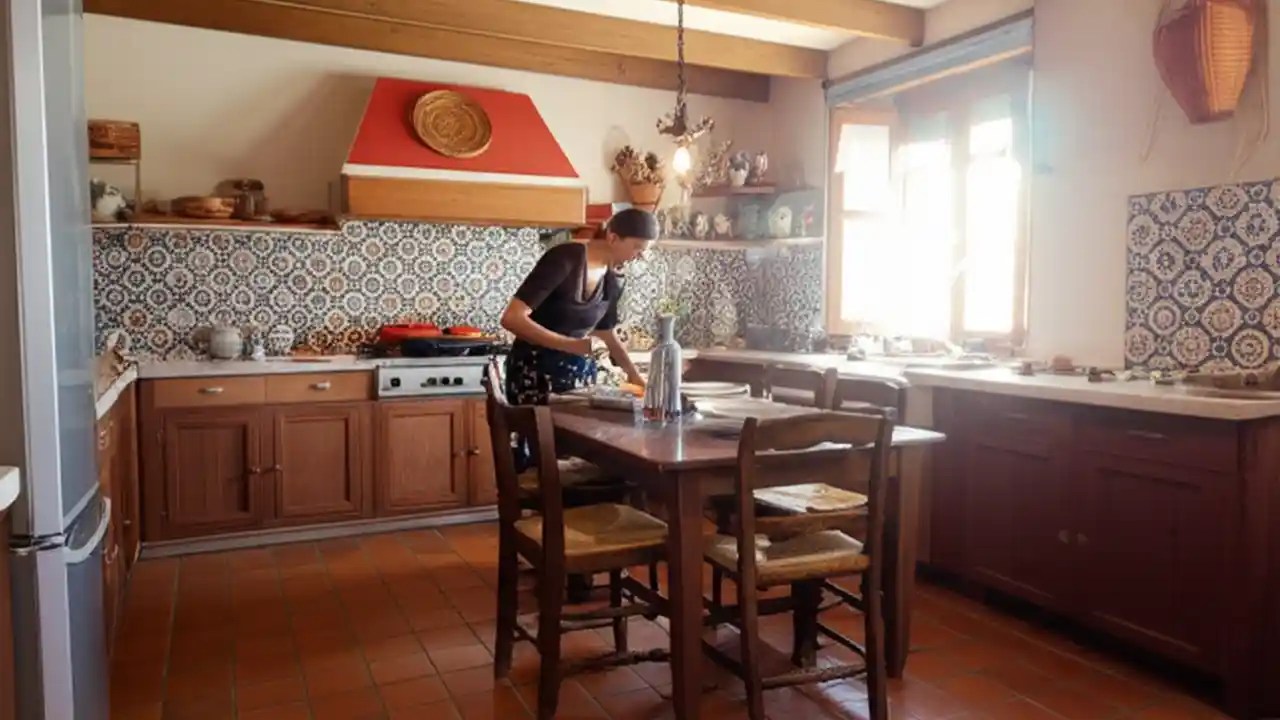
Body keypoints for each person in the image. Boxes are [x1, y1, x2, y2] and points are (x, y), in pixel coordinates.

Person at [500, 208, 655, 406]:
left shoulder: (615, 277)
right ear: (613, 237)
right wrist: (572, 345)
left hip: (579, 381)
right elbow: (512, 318)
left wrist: (634, 375)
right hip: (534, 376)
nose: (640, 256)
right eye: (637, 247)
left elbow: (605, 332)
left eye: (645, 250)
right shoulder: (565, 257)